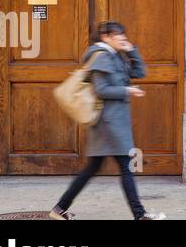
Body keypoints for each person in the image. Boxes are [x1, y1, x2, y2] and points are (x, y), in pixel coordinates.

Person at [51, 21, 165, 221]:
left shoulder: (116, 57)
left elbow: (140, 72)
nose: (122, 38)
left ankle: (59, 209)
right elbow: (101, 90)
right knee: (125, 167)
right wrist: (126, 90)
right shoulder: (101, 58)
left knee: (92, 168)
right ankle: (140, 214)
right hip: (107, 123)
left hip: (113, 122)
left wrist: (131, 51)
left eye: (123, 35)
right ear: (105, 37)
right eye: (118, 35)